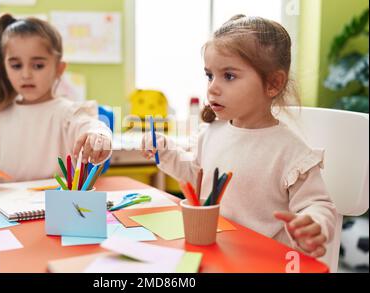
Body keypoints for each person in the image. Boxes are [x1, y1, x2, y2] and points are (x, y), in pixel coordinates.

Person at [142, 15, 337, 258]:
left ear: (273, 84)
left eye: (229, 76)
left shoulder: (290, 151)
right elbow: (196, 178)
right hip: (217, 254)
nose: (212, 87)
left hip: (263, 262)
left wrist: (312, 221)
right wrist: (166, 150)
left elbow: (319, 204)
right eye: (209, 75)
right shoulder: (213, 132)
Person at [0, 13, 112, 186]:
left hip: (58, 208)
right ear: (4, 67)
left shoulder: (69, 114)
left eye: (38, 65)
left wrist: (99, 135)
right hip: (8, 209)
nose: (26, 75)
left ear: (59, 68)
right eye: (16, 65)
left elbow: (92, 126)